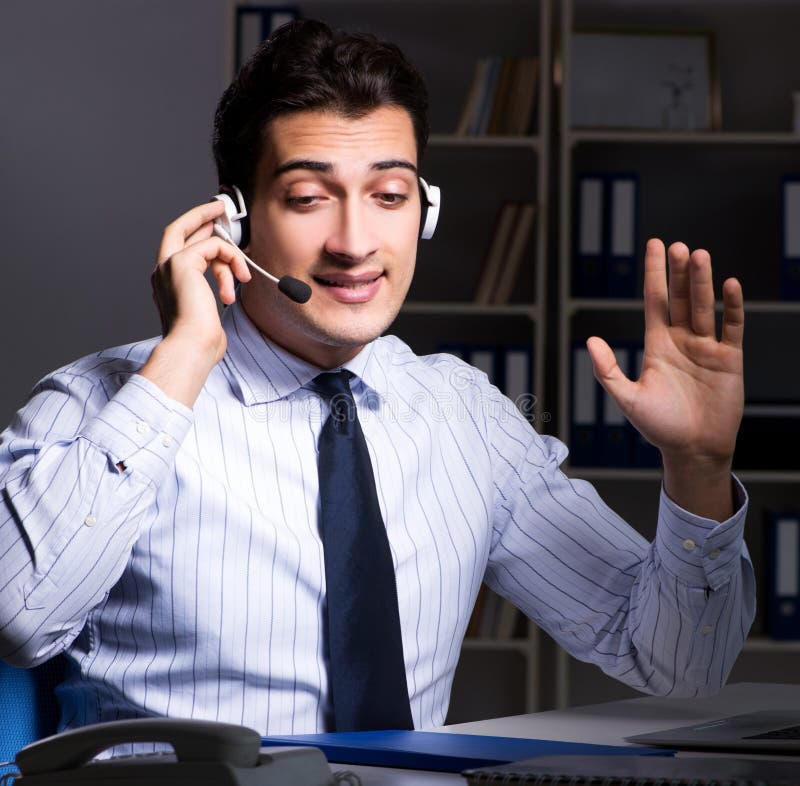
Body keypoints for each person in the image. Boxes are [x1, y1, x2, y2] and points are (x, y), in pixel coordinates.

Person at [0, 19, 753, 737]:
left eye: (390, 196)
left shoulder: (465, 415)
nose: (355, 243)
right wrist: (185, 356)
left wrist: (698, 467)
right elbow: (19, 620)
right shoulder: (101, 400)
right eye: (307, 198)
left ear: (424, 211)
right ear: (231, 223)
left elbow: (678, 665)